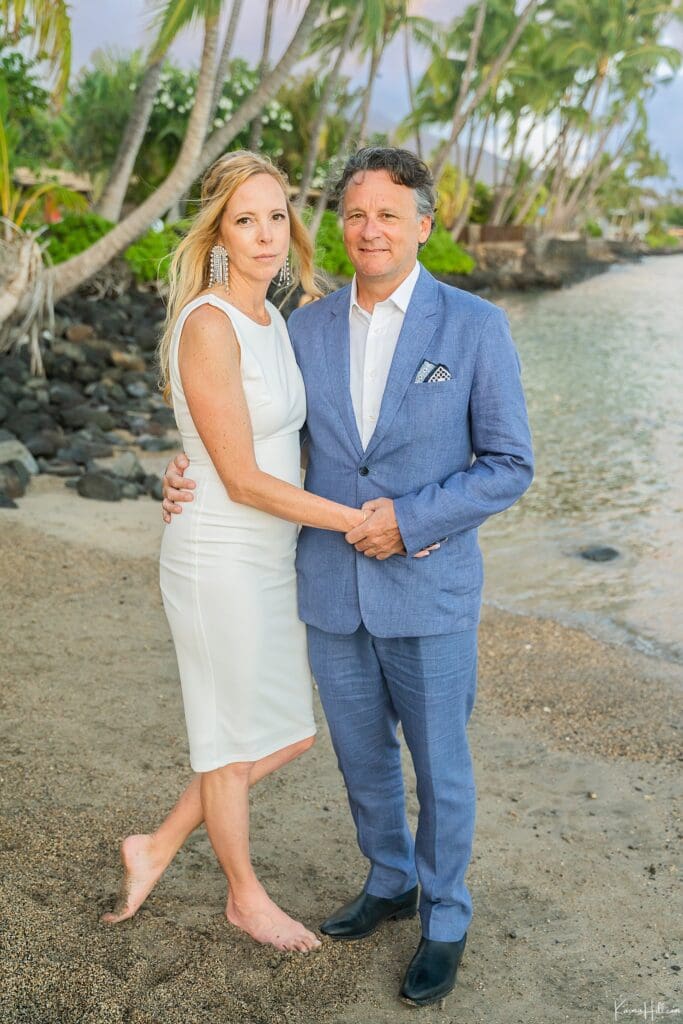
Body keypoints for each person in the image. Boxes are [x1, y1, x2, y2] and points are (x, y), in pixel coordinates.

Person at [165, 147, 534, 1006]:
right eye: (356, 214)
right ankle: (389, 879)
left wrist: (411, 521)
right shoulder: (304, 327)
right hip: (330, 587)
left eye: (389, 215)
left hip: (429, 588)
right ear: (339, 224)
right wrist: (181, 469)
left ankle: (444, 913)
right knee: (362, 761)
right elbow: (258, 440)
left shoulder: (474, 326)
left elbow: (508, 464)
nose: (371, 230)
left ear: (423, 226)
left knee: (440, 767)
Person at [100, 150, 386, 953]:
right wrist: (356, 521)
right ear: (218, 234)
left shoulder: (275, 322)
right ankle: (244, 898)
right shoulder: (208, 323)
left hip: (269, 556)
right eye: (244, 220)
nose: (265, 235)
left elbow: (285, 441)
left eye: (275, 216)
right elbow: (240, 477)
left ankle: (155, 845)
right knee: (228, 739)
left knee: (286, 731)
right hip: (217, 554)